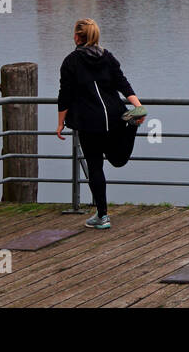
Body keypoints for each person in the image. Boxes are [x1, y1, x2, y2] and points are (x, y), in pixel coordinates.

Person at [56, 18, 147, 229]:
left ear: (78, 36)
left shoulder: (71, 62)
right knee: (118, 159)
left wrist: (60, 123)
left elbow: (65, 95)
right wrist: (138, 105)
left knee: (95, 167)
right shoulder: (107, 57)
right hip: (115, 116)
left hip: (89, 122)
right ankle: (131, 125)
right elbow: (122, 83)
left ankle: (102, 216)